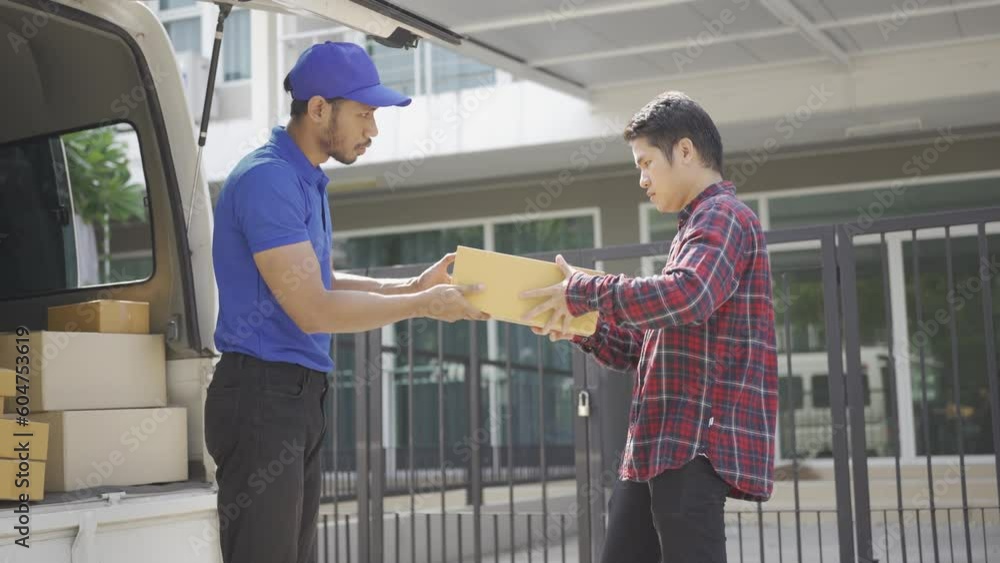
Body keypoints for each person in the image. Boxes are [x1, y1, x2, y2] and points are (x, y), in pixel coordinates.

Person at [206, 41, 489, 563]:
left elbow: (322, 281)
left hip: (295, 397)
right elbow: (313, 307)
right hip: (262, 397)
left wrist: (408, 287)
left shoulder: (304, 179)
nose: (373, 129)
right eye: (364, 114)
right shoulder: (268, 179)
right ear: (318, 109)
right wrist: (424, 305)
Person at [521, 91, 778, 563]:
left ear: (684, 150)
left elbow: (688, 294)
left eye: (645, 163)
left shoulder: (724, 217)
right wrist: (579, 324)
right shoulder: (693, 229)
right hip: (657, 449)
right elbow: (641, 348)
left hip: (691, 446)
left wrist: (582, 290)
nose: (641, 179)